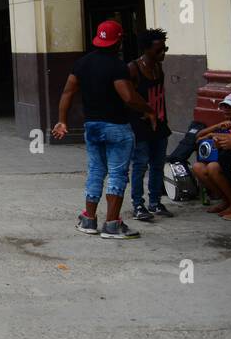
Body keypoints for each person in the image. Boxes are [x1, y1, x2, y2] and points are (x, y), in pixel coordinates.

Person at [52, 20, 157, 239]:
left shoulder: (82, 63)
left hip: (92, 126)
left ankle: (89, 219)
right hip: (116, 127)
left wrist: (62, 120)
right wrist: (148, 110)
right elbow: (128, 97)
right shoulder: (117, 66)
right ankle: (112, 224)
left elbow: (67, 93)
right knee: (118, 173)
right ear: (118, 41)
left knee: (96, 171)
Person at [128, 29, 172, 222]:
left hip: (160, 124)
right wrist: (144, 113)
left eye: (165, 49)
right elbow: (127, 98)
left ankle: (155, 201)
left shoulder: (158, 68)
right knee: (140, 165)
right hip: (141, 126)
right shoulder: (133, 69)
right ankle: (138, 203)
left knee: (157, 165)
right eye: (158, 50)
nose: (163, 53)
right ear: (146, 49)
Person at [191, 94, 231, 220]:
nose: (227, 110)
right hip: (224, 159)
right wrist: (216, 128)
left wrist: (212, 135)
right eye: (224, 106)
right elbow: (198, 137)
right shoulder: (225, 124)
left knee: (213, 167)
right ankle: (225, 201)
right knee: (197, 167)